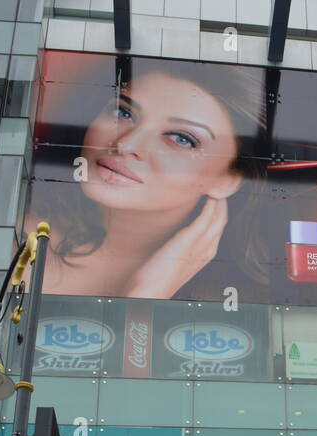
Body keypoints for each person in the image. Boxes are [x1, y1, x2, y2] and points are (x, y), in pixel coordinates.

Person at [29, 57, 267, 301]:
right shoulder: (18, 242)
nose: (125, 144)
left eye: (181, 139)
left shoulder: (237, 301)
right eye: (123, 112)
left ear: (228, 180)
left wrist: (146, 293)